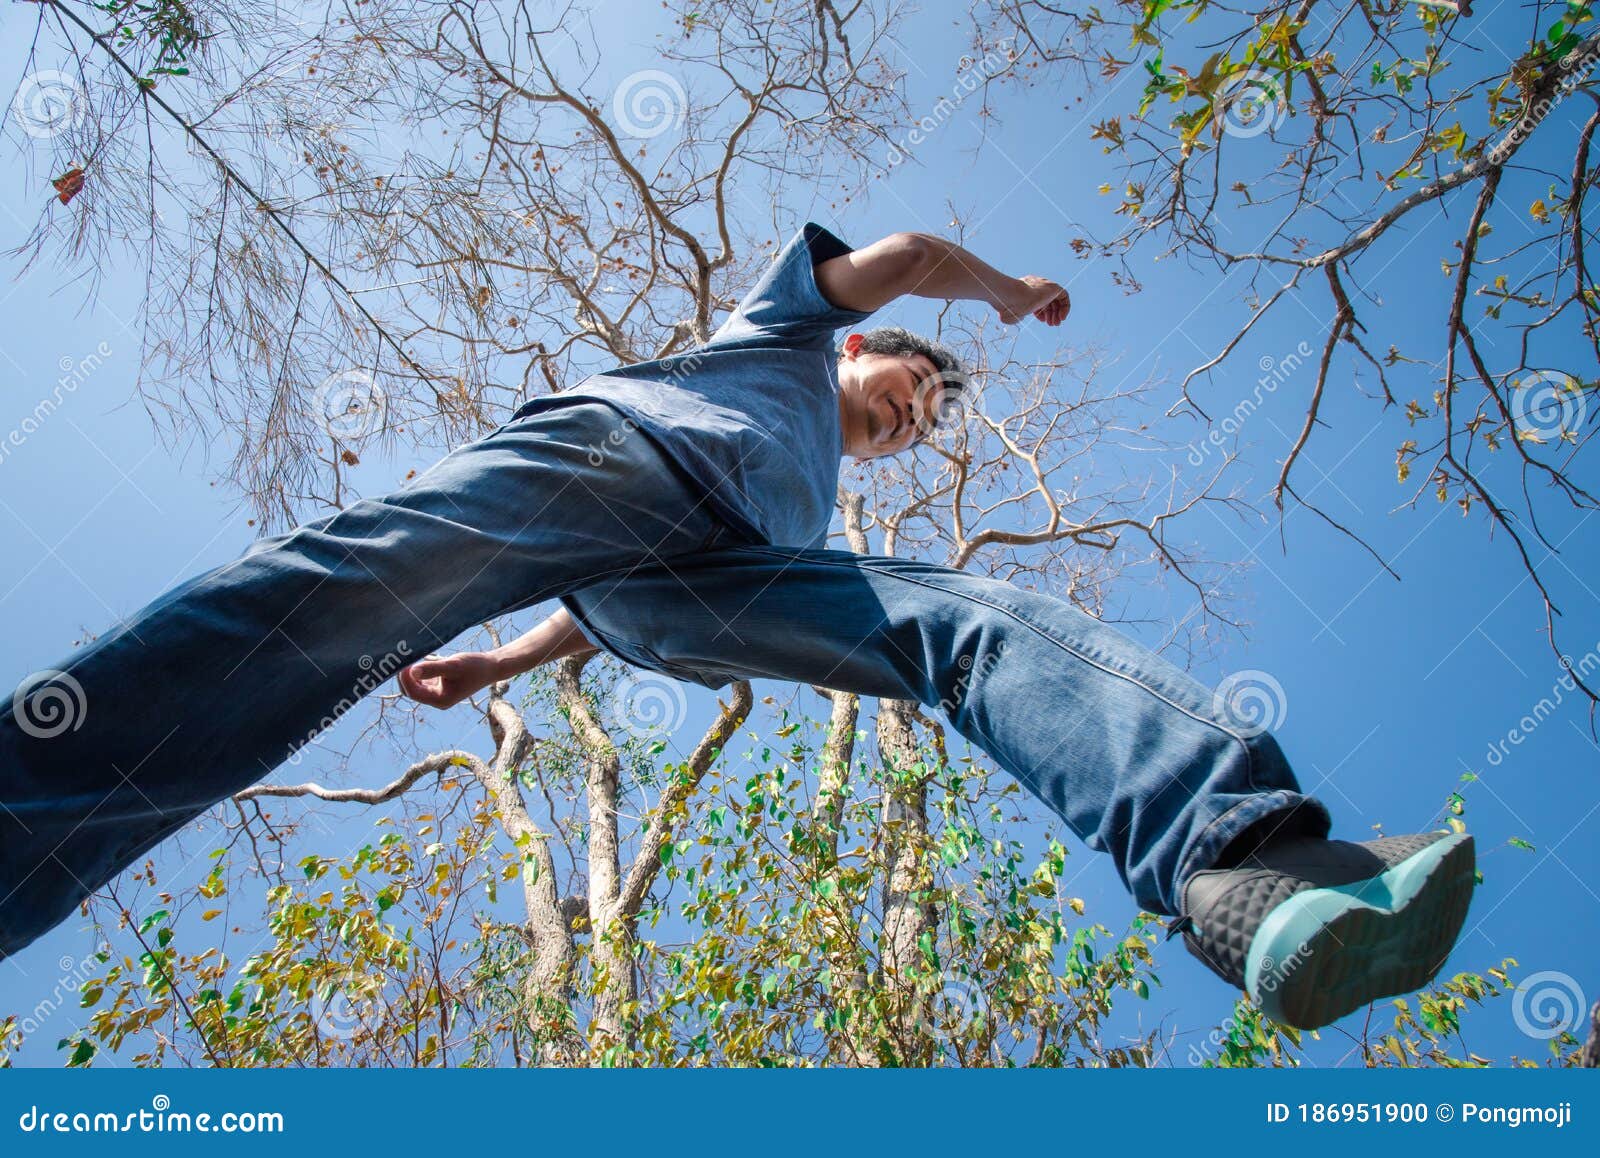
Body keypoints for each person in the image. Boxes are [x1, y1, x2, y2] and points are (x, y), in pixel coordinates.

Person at [0, 220, 1473, 1032]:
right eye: (912, 391)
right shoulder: (780, 331)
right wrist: (1003, 288)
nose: (914, 418)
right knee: (322, 614)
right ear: (859, 349)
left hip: (676, 592)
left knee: (954, 622)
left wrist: (492, 661)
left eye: (925, 426)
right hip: (624, 456)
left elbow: (595, 621)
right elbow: (899, 252)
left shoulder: (819, 498)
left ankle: (1246, 866)